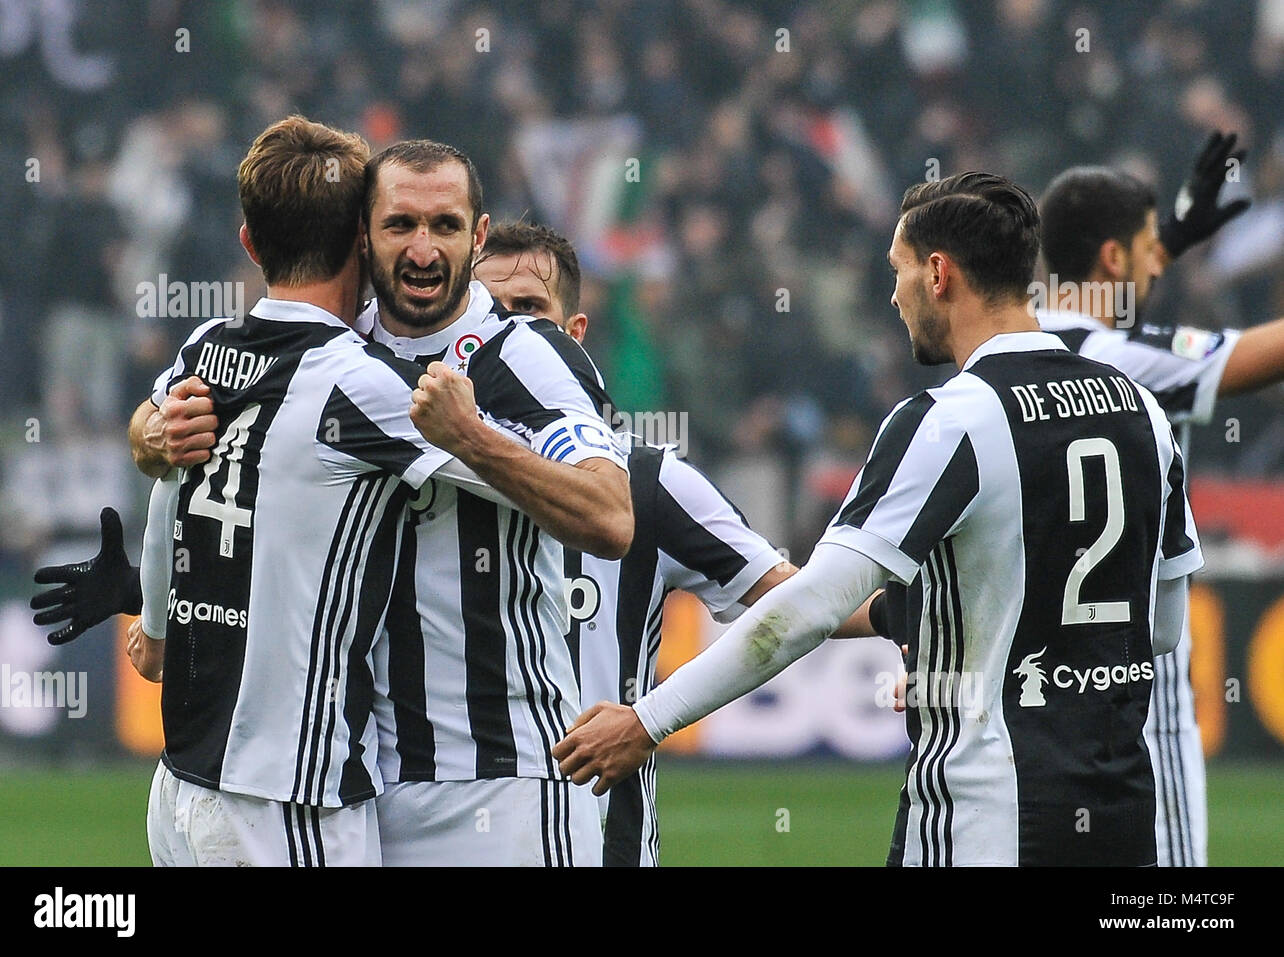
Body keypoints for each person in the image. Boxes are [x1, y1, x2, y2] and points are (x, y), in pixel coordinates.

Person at [554, 172, 1203, 866]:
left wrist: (649, 720)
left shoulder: (953, 419)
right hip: (1125, 820)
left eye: (896, 271)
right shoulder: (1142, 409)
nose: (893, 295)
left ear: (938, 272)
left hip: (986, 821)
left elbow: (808, 607)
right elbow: (1160, 628)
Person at [118, 115, 513, 866]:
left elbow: (165, 492)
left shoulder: (205, 347)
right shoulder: (360, 383)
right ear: (363, 241)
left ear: (248, 241)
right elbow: (526, 488)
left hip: (181, 787)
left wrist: (161, 625)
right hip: (289, 798)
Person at [474, 220, 796, 865]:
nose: (512, 334)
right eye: (491, 313)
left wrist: (909, 624)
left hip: (600, 843)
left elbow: (794, 603)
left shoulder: (649, 485)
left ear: (575, 332)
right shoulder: (411, 465)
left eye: (531, 311)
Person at [1032, 132, 1284, 866]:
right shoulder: (1129, 360)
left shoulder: (1008, 345)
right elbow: (1250, 358)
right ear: (1114, 257)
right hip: (1139, 664)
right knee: (1168, 878)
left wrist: (1168, 233)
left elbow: (1099, 298)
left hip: (1035, 663)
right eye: (1147, 248)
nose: (1159, 264)